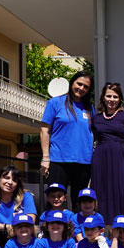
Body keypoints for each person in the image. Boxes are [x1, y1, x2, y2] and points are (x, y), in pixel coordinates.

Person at [40, 71, 94, 209]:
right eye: (79, 84)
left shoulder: (90, 108)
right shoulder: (55, 103)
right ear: (72, 83)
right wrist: (45, 158)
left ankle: (77, 230)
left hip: (83, 162)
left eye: (86, 87)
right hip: (59, 160)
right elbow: (44, 131)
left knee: (79, 203)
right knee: (55, 201)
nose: (81, 88)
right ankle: (50, 229)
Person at [90, 82, 124, 222]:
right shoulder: (96, 118)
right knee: (102, 192)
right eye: (108, 96)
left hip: (123, 158)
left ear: (120, 99)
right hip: (102, 159)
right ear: (103, 98)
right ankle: (104, 228)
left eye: (115, 96)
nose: (111, 99)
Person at [0, 164, 37, 244]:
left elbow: (31, 219)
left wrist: (15, 228)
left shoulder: (26, 196)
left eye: (14, 180)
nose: (10, 182)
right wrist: (6, 227)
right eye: (7, 178)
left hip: (19, 234)